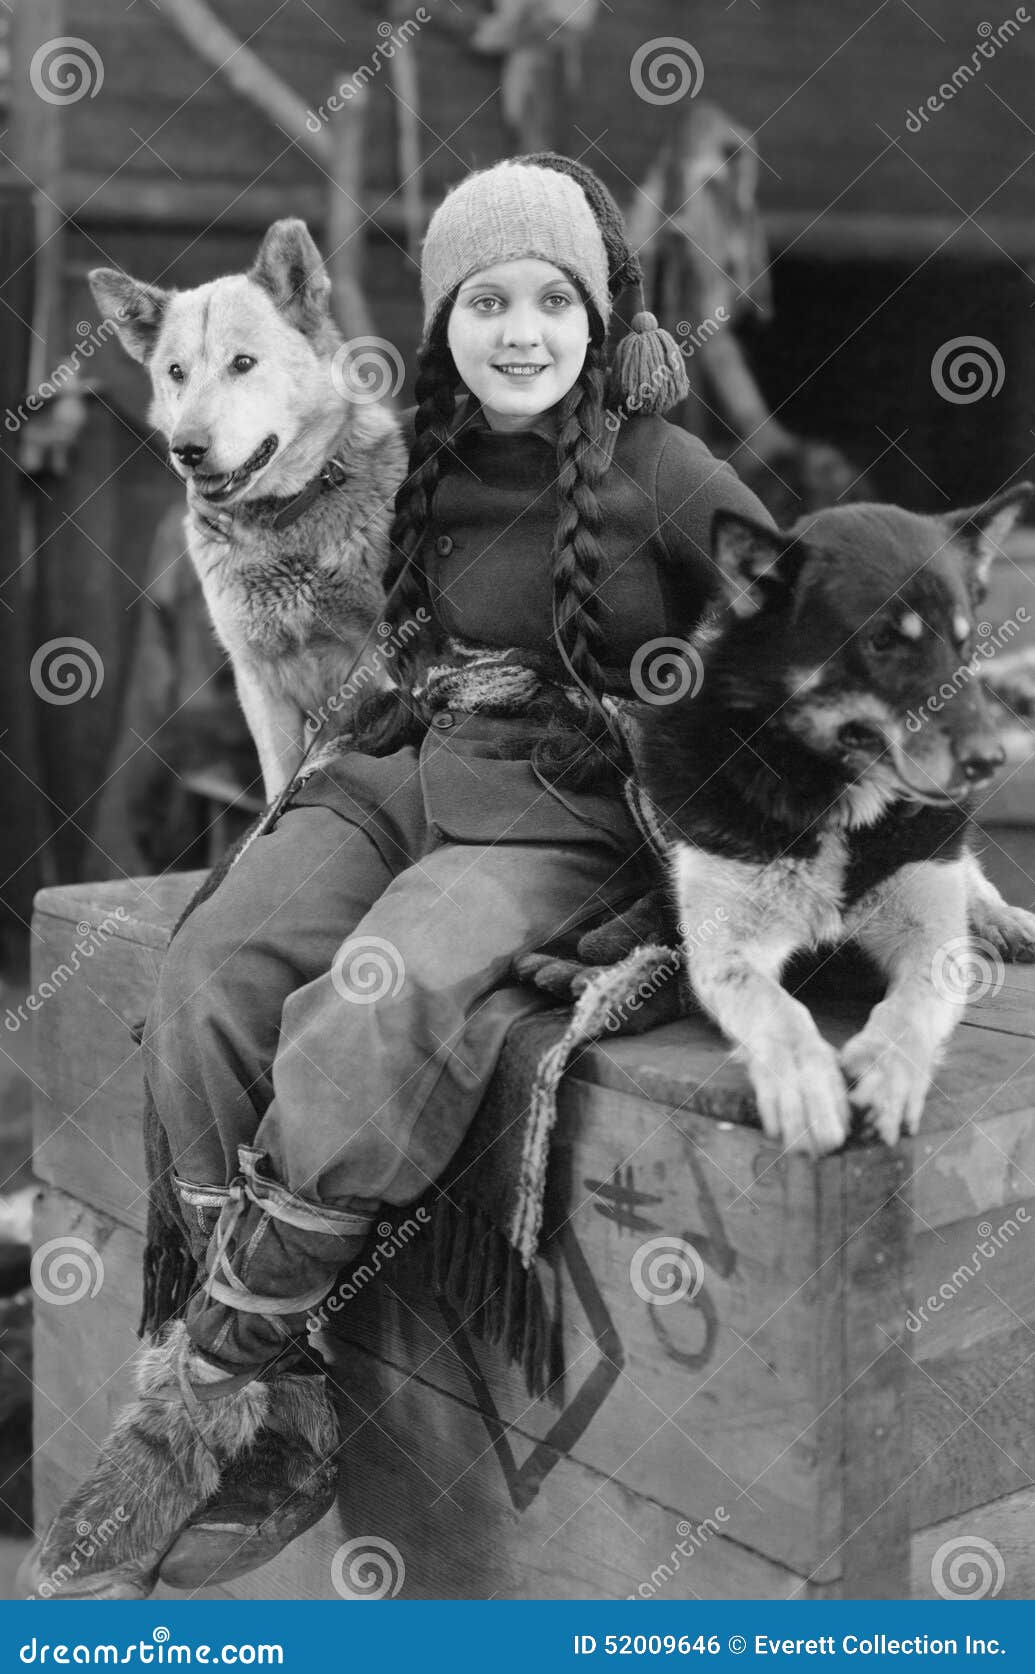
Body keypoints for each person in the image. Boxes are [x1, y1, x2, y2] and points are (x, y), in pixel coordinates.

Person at [24, 153, 772, 1599]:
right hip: (392, 758)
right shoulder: (418, 447)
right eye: (482, 299)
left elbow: (798, 601)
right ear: (443, 323)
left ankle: (200, 1408)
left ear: (596, 311)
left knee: (372, 1002)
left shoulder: (667, 469)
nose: (518, 328)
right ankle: (295, 1406)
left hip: (550, 811)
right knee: (212, 968)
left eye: (549, 298)